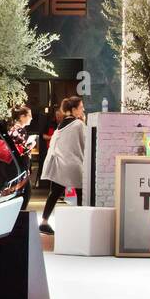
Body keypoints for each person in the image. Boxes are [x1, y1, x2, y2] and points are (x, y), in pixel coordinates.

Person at [38, 96, 86, 236]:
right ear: (73, 109)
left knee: (54, 193)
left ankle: (44, 222)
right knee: (81, 193)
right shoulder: (78, 124)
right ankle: (82, 223)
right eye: (81, 107)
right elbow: (86, 144)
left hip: (59, 163)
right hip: (73, 164)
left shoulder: (61, 124)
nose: (83, 110)